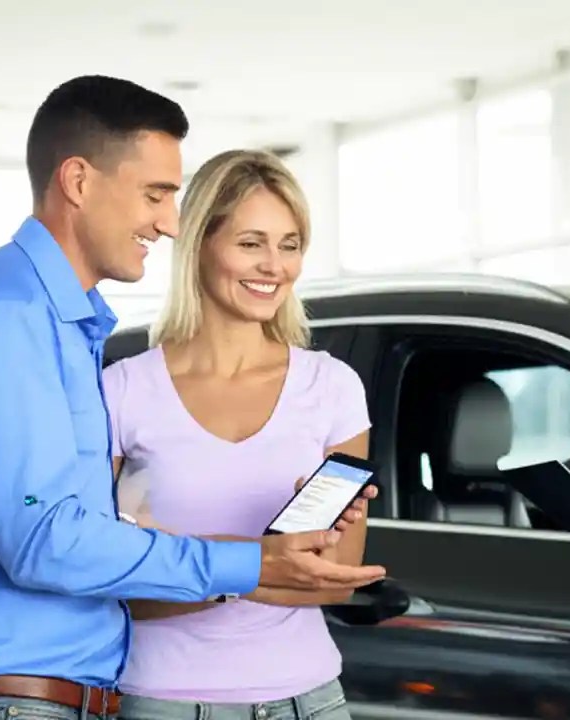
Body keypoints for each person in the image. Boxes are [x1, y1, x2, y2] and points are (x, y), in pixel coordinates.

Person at [0, 76, 385, 720]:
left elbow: (110, 545)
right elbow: (44, 540)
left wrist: (264, 561)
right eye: (155, 194)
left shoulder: (66, 328)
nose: (167, 221)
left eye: (289, 245)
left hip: (63, 698)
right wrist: (252, 562)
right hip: (22, 702)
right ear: (78, 182)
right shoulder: (10, 319)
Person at [102, 149, 368, 720]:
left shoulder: (332, 388)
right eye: (251, 243)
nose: (274, 265)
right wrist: (265, 565)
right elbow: (129, 588)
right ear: (199, 243)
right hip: (165, 704)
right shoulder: (126, 394)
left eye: (289, 244)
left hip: (310, 701)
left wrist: (198, 570)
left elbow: (335, 582)